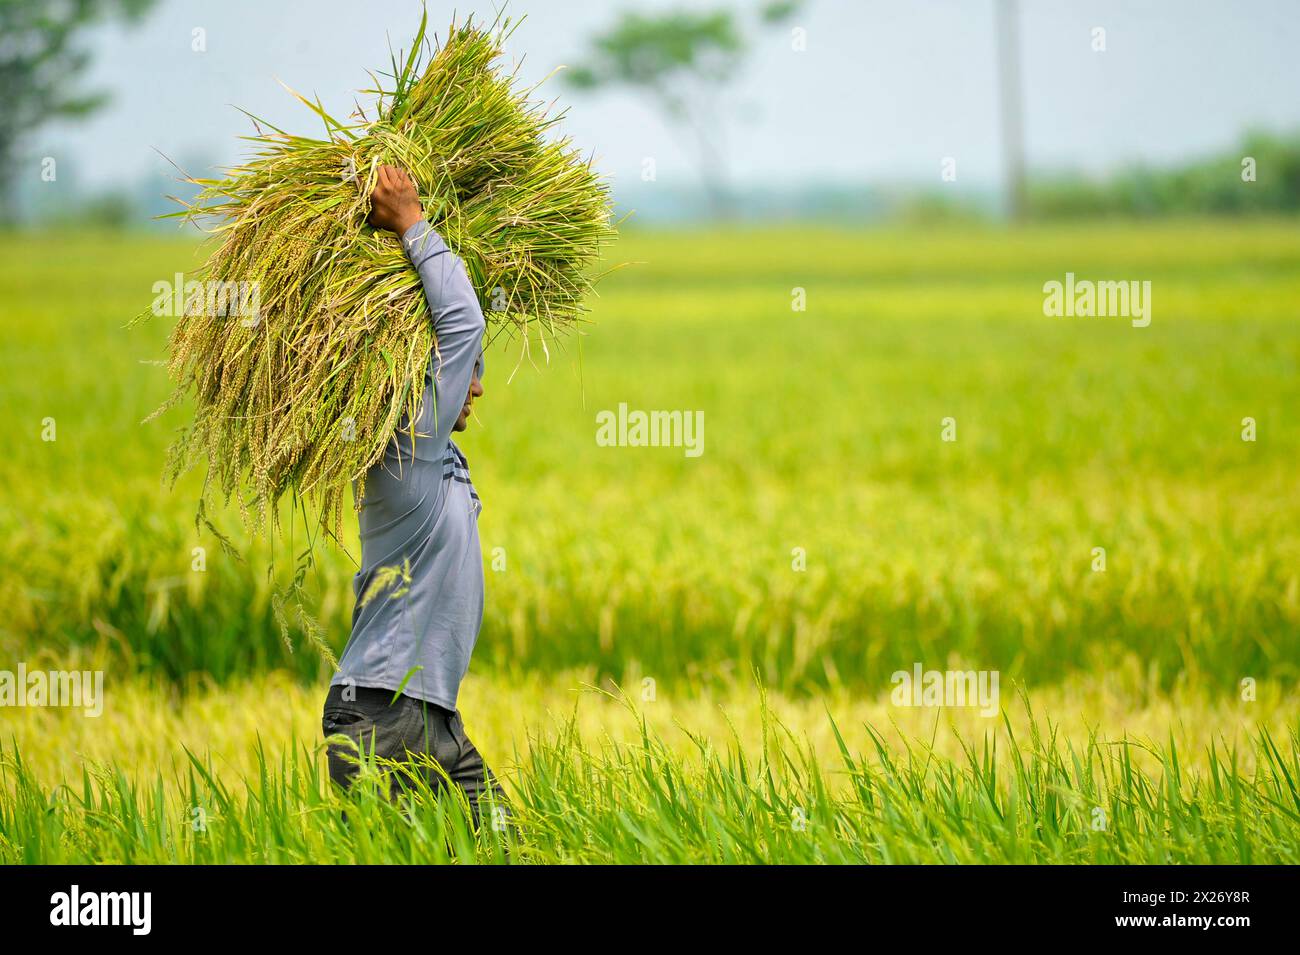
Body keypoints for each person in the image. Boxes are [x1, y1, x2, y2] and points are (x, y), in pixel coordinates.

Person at [320, 164, 504, 827]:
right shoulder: (406, 445)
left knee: (513, 846)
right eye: (468, 377)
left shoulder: (440, 457)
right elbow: (461, 326)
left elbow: (467, 333)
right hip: (382, 717)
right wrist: (412, 224)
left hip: (426, 718)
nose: (475, 389)